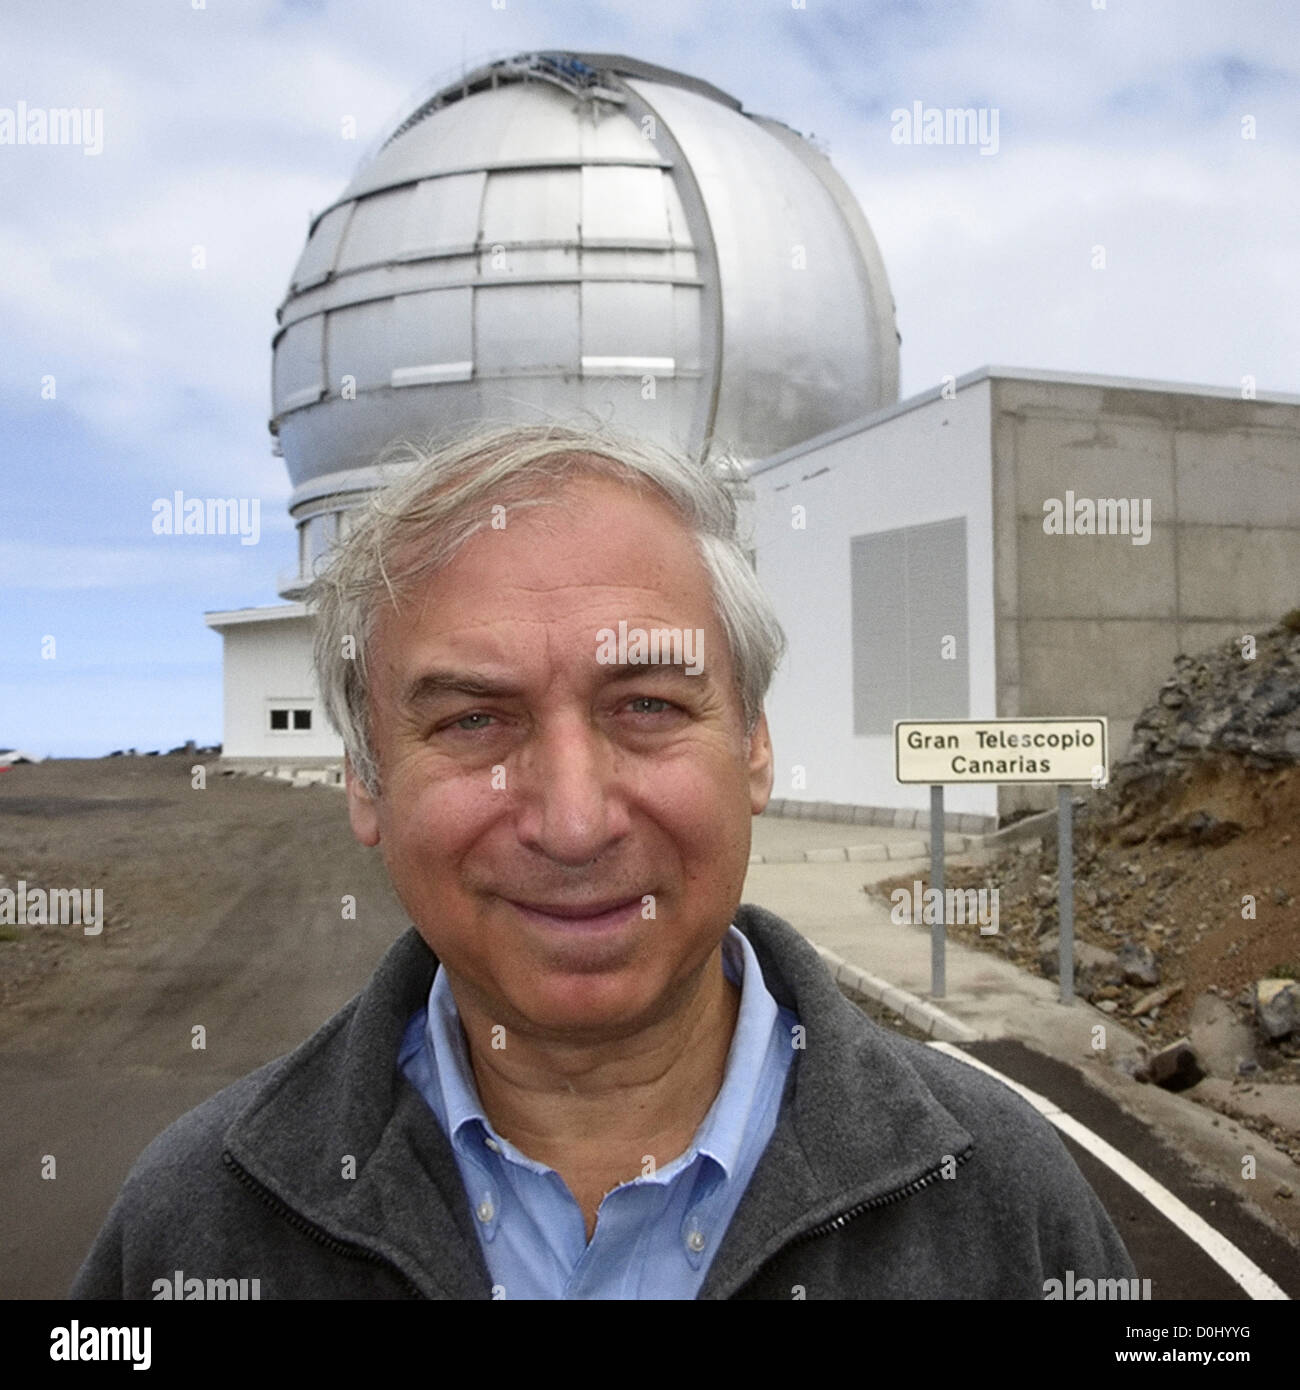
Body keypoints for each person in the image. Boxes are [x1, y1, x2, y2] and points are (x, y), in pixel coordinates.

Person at [72, 422, 1135, 1299]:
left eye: (646, 706)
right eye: (474, 721)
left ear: (753, 744)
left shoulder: (1000, 1199)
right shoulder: (195, 1229)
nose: (573, 823)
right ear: (365, 778)